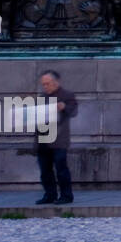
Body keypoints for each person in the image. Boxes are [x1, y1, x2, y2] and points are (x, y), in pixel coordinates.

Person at [36, 71, 78, 205]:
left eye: (47, 84)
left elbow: (73, 111)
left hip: (59, 139)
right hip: (43, 139)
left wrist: (64, 107)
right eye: (43, 84)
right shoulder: (42, 97)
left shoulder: (67, 95)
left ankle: (66, 195)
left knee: (61, 169)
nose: (45, 87)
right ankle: (50, 194)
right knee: (45, 171)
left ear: (55, 82)